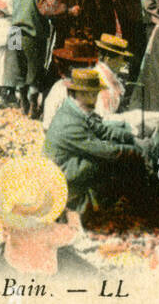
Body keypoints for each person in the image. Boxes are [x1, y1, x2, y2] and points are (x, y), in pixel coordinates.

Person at [44, 67, 150, 216]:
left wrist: (131, 138)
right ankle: (110, 204)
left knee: (116, 156)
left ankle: (113, 200)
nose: (96, 98)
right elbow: (104, 149)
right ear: (81, 94)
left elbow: (102, 130)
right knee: (109, 161)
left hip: (70, 163)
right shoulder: (70, 122)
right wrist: (136, 150)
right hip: (62, 174)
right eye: (94, 94)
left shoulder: (74, 109)